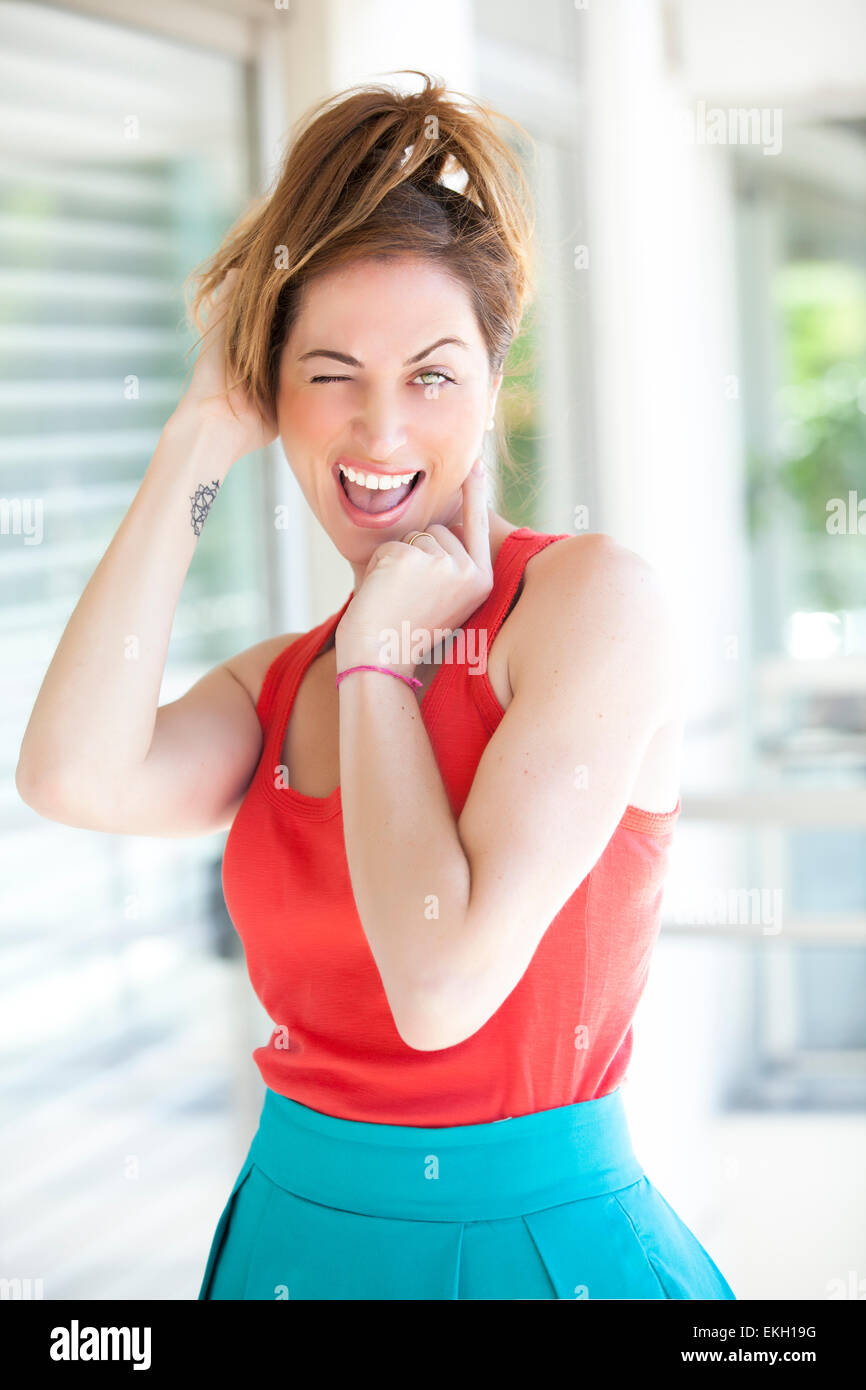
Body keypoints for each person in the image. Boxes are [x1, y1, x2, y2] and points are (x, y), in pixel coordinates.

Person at [15, 72, 735, 1301]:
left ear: (495, 379)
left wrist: (378, 672)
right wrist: (193, 439)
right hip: (291, 1240)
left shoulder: (589, 604)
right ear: (272, 396)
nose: (380, 431)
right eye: (328, 372)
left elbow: (441, 988)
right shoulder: (280, 679)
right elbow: (69, 773)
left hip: (530, 1256)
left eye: (432, 374)